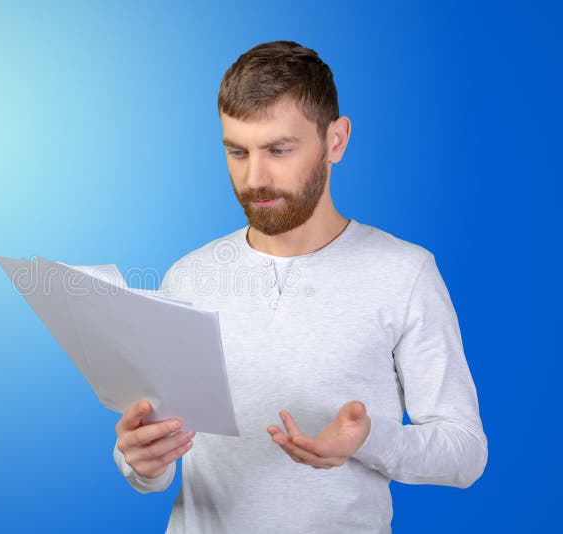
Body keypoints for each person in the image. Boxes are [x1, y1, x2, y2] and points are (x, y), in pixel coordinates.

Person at [113, 40, 487, 533]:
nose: (254, 177)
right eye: (237, 151)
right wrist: (140, 461)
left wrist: (369, 439)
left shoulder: (405, 273)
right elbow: (158, 457)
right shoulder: (188, 276)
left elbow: (465, 453)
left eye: (279, 150)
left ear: (336, 141)